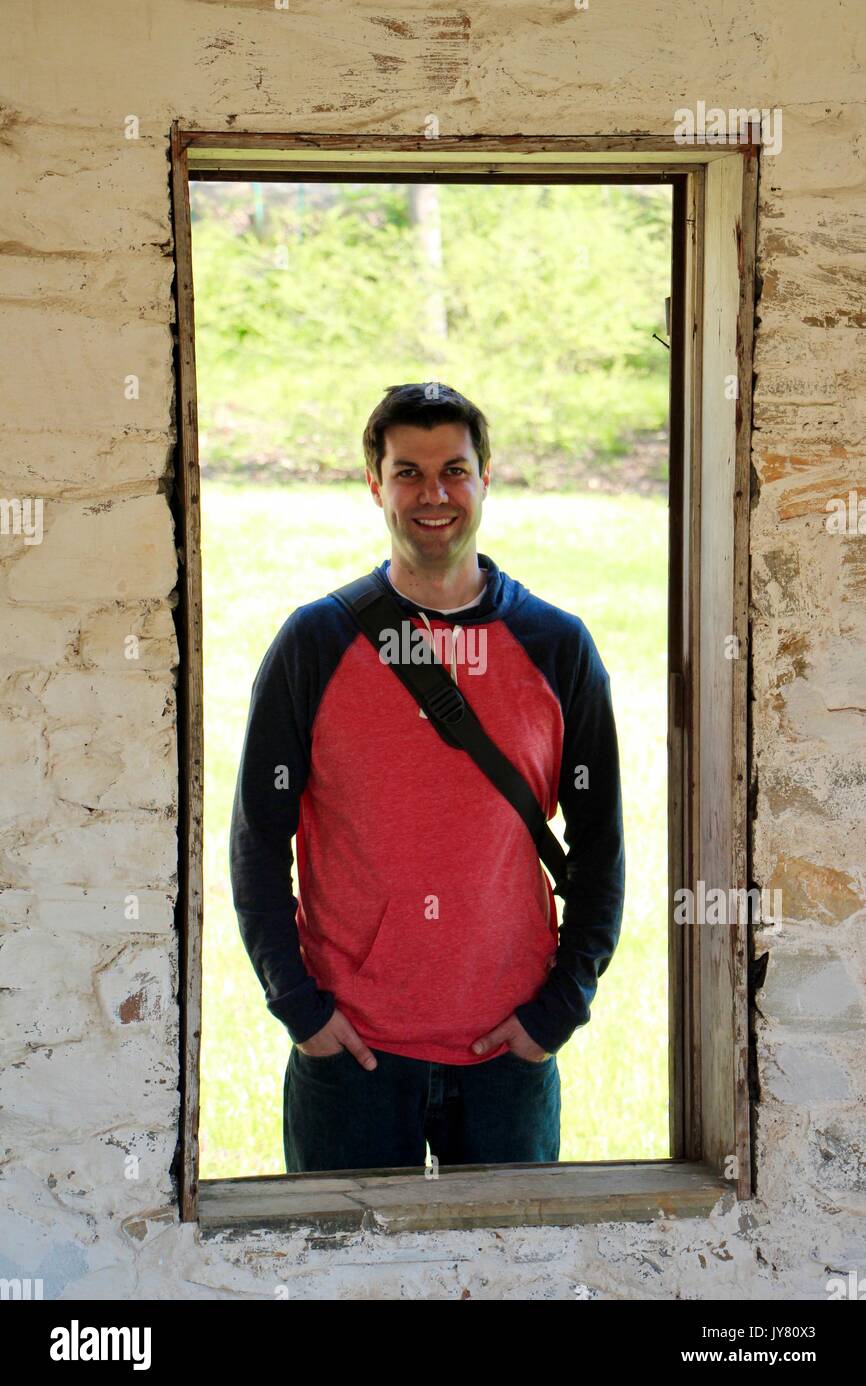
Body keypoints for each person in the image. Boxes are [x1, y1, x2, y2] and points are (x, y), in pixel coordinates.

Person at [229, 382, 625, 1173]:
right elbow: (256, 843)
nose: (433, 494)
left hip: (508, 1055)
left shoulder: (556, 645)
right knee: (343, 1283)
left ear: (486, 478)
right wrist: (299, 1010)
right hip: (352, 1054)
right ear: (374, 484)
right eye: (407, 472)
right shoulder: (315, 643)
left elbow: (602, 848)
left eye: (454, 469)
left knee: (512, 1280)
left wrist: (558, 1010)